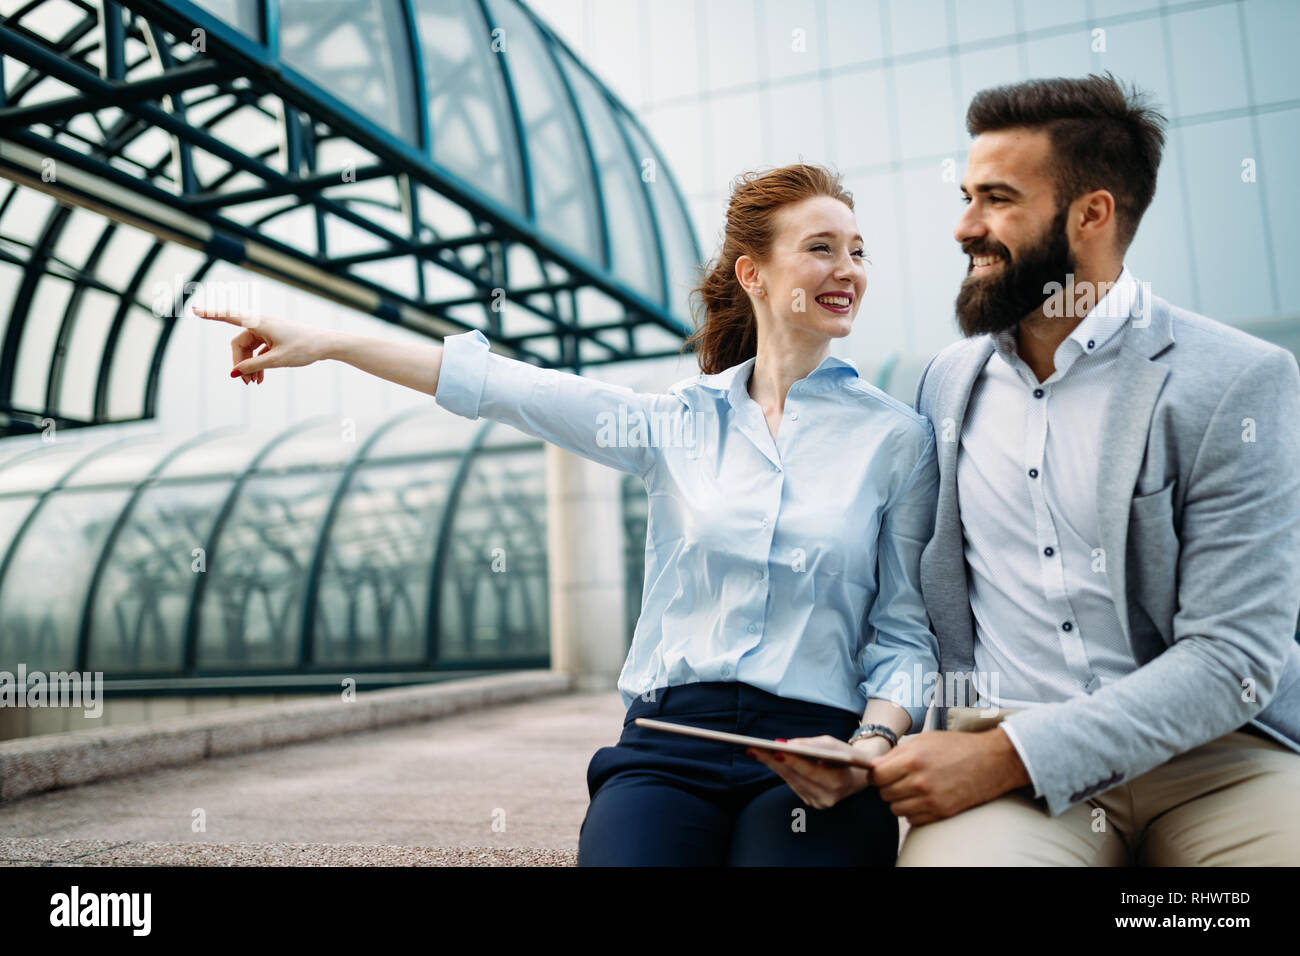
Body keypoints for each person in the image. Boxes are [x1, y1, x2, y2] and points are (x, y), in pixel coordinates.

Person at [198, 163, 940, 866]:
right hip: (668, 741)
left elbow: (906, 636)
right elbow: (503, 386)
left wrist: (871, 746)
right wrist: (329, 342)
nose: (849, 270)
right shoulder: (675, 423)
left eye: (858, 251)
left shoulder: (897, 439)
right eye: (821, 249)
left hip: (818, 753)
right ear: (754, 274)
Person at [866, 72, 1300, 865]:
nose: (965, 226)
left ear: (1092, 213)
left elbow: (1234, 656)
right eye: (966, 196)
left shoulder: (1237, 380)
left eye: (997, 198)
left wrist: (1009, 754)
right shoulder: (945, 385)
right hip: (1000, 762)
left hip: (1218, 755)